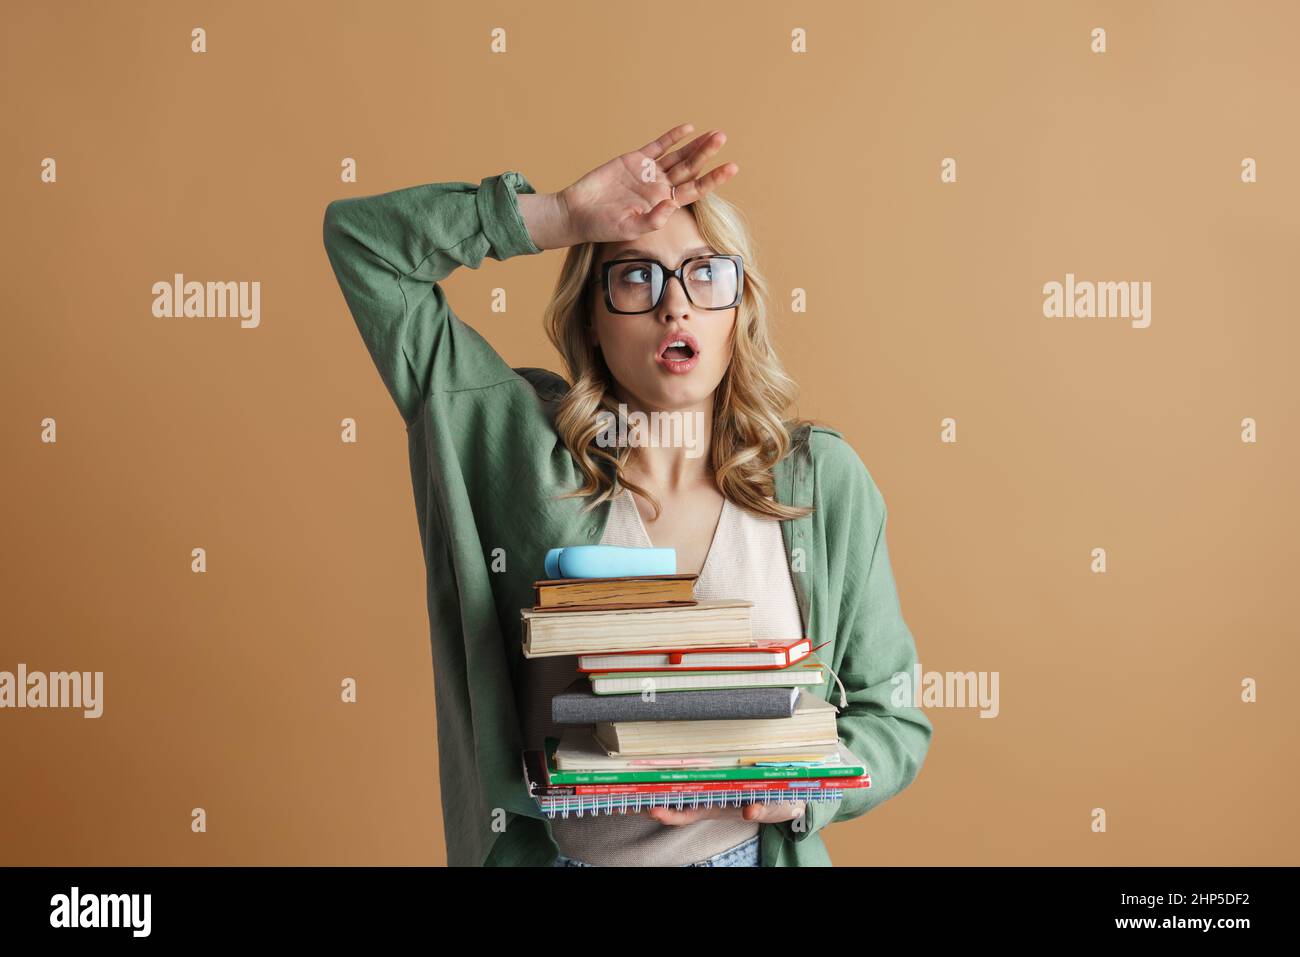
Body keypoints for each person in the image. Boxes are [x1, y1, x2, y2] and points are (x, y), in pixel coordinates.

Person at [322, 123, 932, 866]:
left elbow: (893, 717)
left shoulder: (818, 482)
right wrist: (559, 217)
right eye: (636, 277)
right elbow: (362, 246)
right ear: (592, 317)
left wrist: (800, 787)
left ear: (738, 311)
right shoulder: (513, 442)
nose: (675, 306)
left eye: (705, 274)